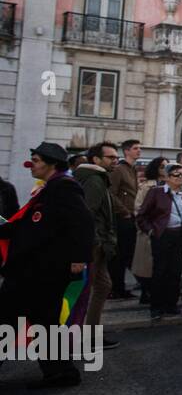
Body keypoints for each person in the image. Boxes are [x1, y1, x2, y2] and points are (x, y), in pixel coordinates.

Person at [0, 143, 95, 388]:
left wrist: (78, 258)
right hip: (35, 269)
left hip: (42, 269)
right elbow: (29, 224)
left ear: (51, 163)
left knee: (8, 317)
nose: (33, 164)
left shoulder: (64, 187)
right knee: (44, 321)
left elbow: (82, 222)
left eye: (37, 160)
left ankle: (61, 371)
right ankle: (60, 371)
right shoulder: (49, 189)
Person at [75, 142, 120, 350]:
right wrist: (95, 242)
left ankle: (91, 332)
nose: (115, 160)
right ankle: (84, 335)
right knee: (87, 290)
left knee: (102, 286)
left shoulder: (97, 178)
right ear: (96, 160)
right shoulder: (94, 180)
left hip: (97, 242)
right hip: (94, 244)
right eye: (110, 157)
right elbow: (87, 214)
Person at [136, 163, 182, 321]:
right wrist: (151, 230)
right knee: (160, 270)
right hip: (162, 234)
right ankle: (156, 306)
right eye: (176, 175)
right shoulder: (156, 192)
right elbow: (142, 215)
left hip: (180, 235)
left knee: (175, 271)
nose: (180, 177)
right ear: (167, 177)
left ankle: (171, 304)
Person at [108, 139, 141, 300]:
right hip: (122, 218)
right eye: (135, 148)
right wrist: (124, 211)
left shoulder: (132, 169)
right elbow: (111, 193)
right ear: (127, 151)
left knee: (126, 254)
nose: (138, 151)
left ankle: (120, 287)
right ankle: (116, 288)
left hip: (131, 216)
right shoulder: (119, 170)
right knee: (120, 255)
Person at [132, 157, 167, 308]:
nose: (165, 170)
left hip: (164, 231)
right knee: (146, 265)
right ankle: (146, 292)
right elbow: (138, 207)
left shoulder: (169, 185)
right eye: (162, 167)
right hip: (149, 230)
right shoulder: (147, 186)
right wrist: (148, 227)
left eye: (167, 167)